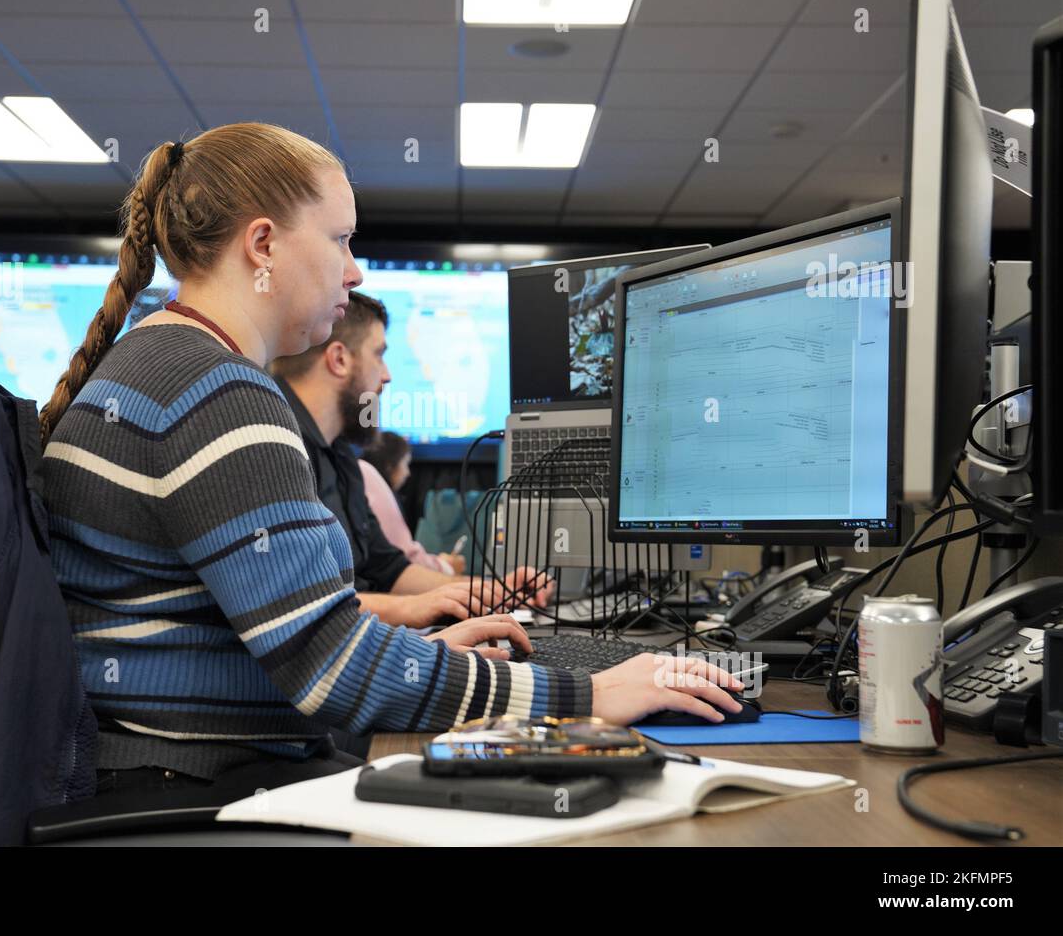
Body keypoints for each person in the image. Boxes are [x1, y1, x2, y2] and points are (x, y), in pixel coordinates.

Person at [38, 123, 743, 794]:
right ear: (262, 244)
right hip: (201, 780)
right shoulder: (216, 393)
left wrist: (430, 658)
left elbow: (295, 641)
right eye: (340, 239)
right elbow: (337, 672)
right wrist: (593, 691)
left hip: (166, 762)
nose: (355, 268)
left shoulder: (160, 365)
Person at [271, 292, 526, 627]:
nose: (388, 375)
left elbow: (388, 569)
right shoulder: (277, 451)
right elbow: (298, 602)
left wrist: (495, 592)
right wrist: (414, 608)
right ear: (339, 359)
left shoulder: (341, 454)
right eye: (379, 355)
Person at [360, 431, 463, 575]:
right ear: (390, 465)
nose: (407, 472)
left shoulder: (354, 477)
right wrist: (446, 566)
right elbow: (404, 555)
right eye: (405, 463)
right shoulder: (370, 479)